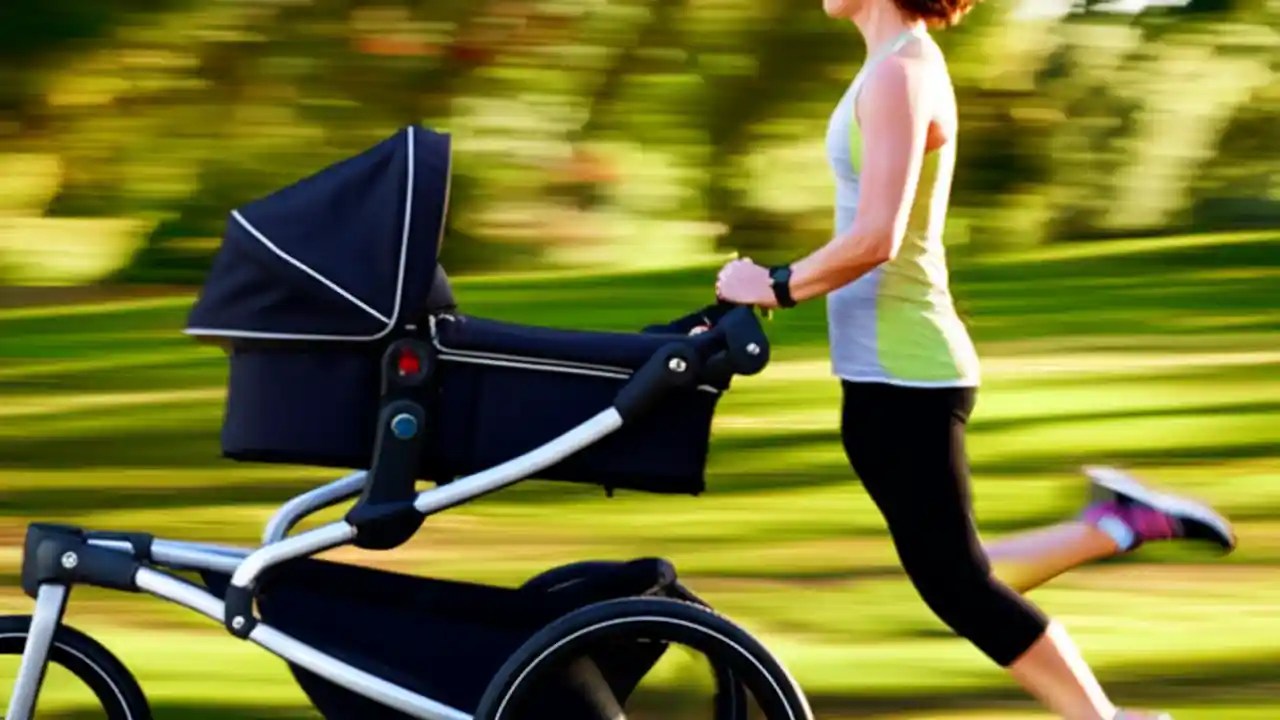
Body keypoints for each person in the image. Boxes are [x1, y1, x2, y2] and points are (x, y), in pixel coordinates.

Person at [712, 1, 1238, 718]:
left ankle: (1104, 716)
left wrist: (773, 285)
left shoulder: (901, 71)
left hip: (909, 372)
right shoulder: (887, 64)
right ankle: (1121, 525)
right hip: (884, 371)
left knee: (956, 583)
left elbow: (877, 237)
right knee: (954, 574)